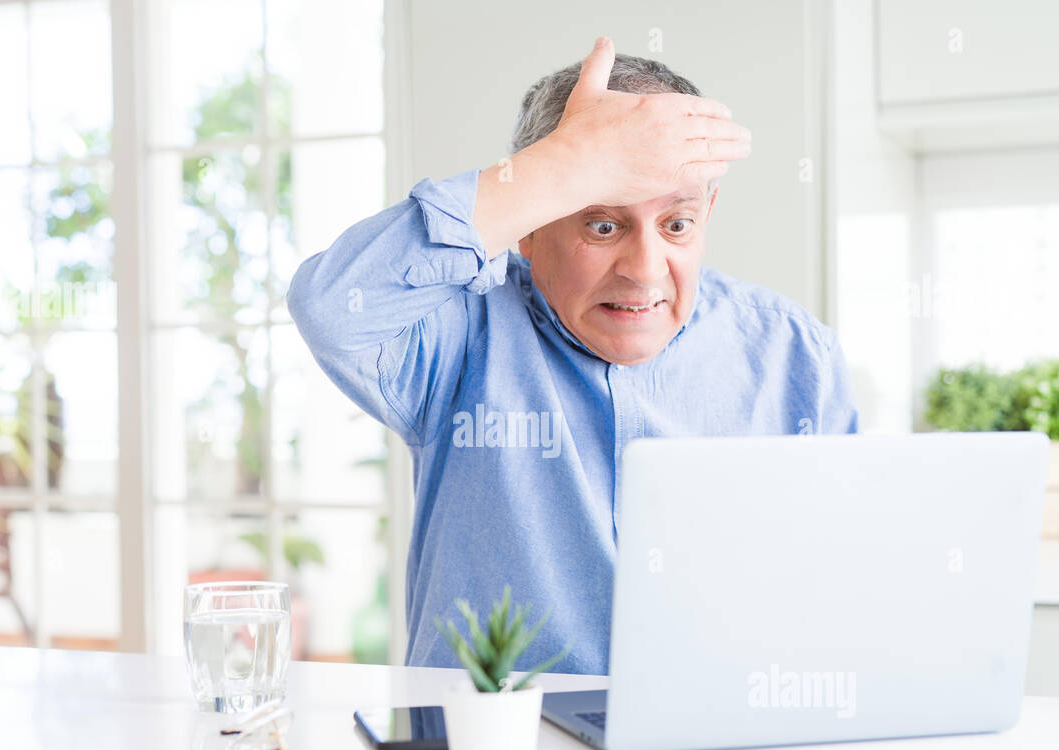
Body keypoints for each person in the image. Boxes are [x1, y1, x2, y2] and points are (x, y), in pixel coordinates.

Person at [287, 37, 859, 675]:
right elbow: (334, 307)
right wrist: (560, 167)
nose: (645, 272)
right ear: (530, 225)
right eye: (603, 225)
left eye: (676, 224)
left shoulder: (792, 355)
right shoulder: (453, 332)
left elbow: (841, 592)